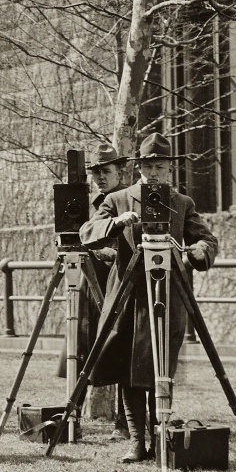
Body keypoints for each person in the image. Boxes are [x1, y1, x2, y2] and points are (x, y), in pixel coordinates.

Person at [79, 134, 218, 463]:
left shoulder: (181, 203)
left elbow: (205, 239)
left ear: (170, 169)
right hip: (127, 296)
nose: (153, 173)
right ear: (138, 168)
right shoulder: (119, 199)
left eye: (160, 166)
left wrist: (201, 250)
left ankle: (161, 438)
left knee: (161, 367)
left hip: (166, 295)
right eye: (147, 166)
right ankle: (137, 441)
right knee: (128, 368)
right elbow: (87, 232)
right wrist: (115, 223)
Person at [81, 146, 133, 439]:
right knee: (83, 346)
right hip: (90, 284)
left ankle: (125, 424)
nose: (100, 177)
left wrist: (109, 253)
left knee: (121, 348)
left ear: (119, 173)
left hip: (118, 283)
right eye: (95, 173)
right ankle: (71, 419)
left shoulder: (128, 200)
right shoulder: (90, 204)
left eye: (106, 171)